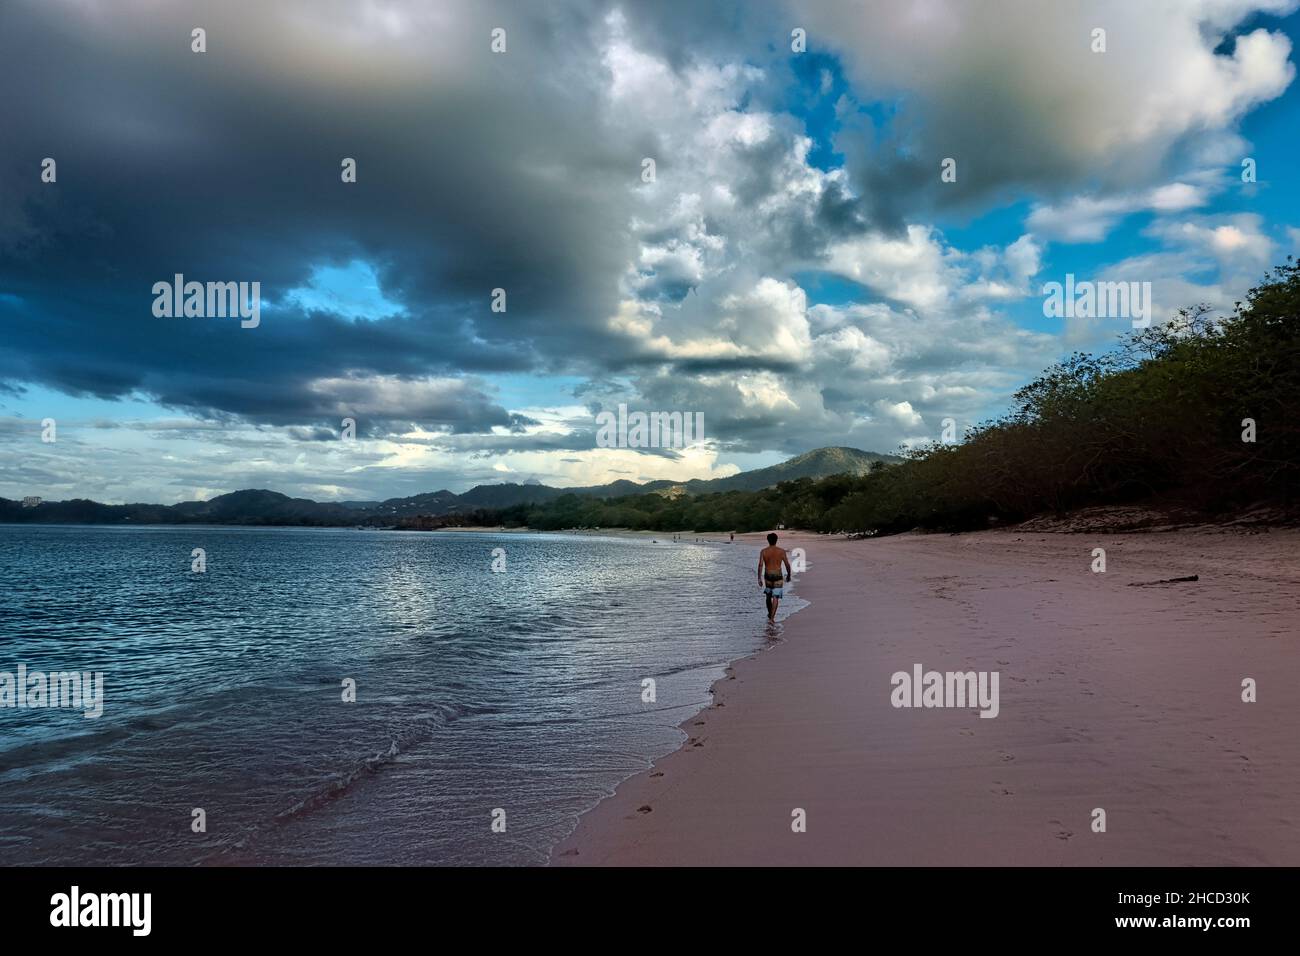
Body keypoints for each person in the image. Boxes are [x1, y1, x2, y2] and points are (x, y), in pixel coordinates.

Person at [757, 532, 792, 623]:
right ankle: (772, 618)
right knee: (775, 596)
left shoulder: (763, 551)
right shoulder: (781, 551)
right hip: (777, 575)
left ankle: (770, 613)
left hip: (768, 574)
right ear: (776, 540)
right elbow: (787, 564)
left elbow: (760, 565)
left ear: (768, 540)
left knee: (768, 596)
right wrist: (789, 575)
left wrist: (759, 578)